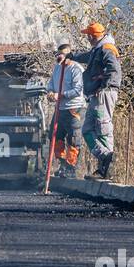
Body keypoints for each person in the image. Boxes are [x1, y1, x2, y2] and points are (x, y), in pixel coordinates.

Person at [72, 22, 122, 179]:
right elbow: (86, 57)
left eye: (88, 35)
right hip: (96, 94)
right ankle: (104, 157)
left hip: (104, 94)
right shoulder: (97, 50)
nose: (87, 38)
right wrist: (72, 57)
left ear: (92, 36)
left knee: (103, 126)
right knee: (87, 129)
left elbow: (114, 70)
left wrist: (104, 86)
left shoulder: (107, 48)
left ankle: (107, 169)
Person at [45, 43, 87, 178]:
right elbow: (51, 84)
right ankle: (62, 164)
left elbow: (77, 90)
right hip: (60, 108)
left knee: (73, 138)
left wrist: (61, 95)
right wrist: (51, 92)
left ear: (68, 54)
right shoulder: (57, 68)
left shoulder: (76, 69)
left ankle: (71, 167)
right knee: (55, 135)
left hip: (74, 108)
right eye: (58, 54)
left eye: (62, 54)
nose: (59, 56)